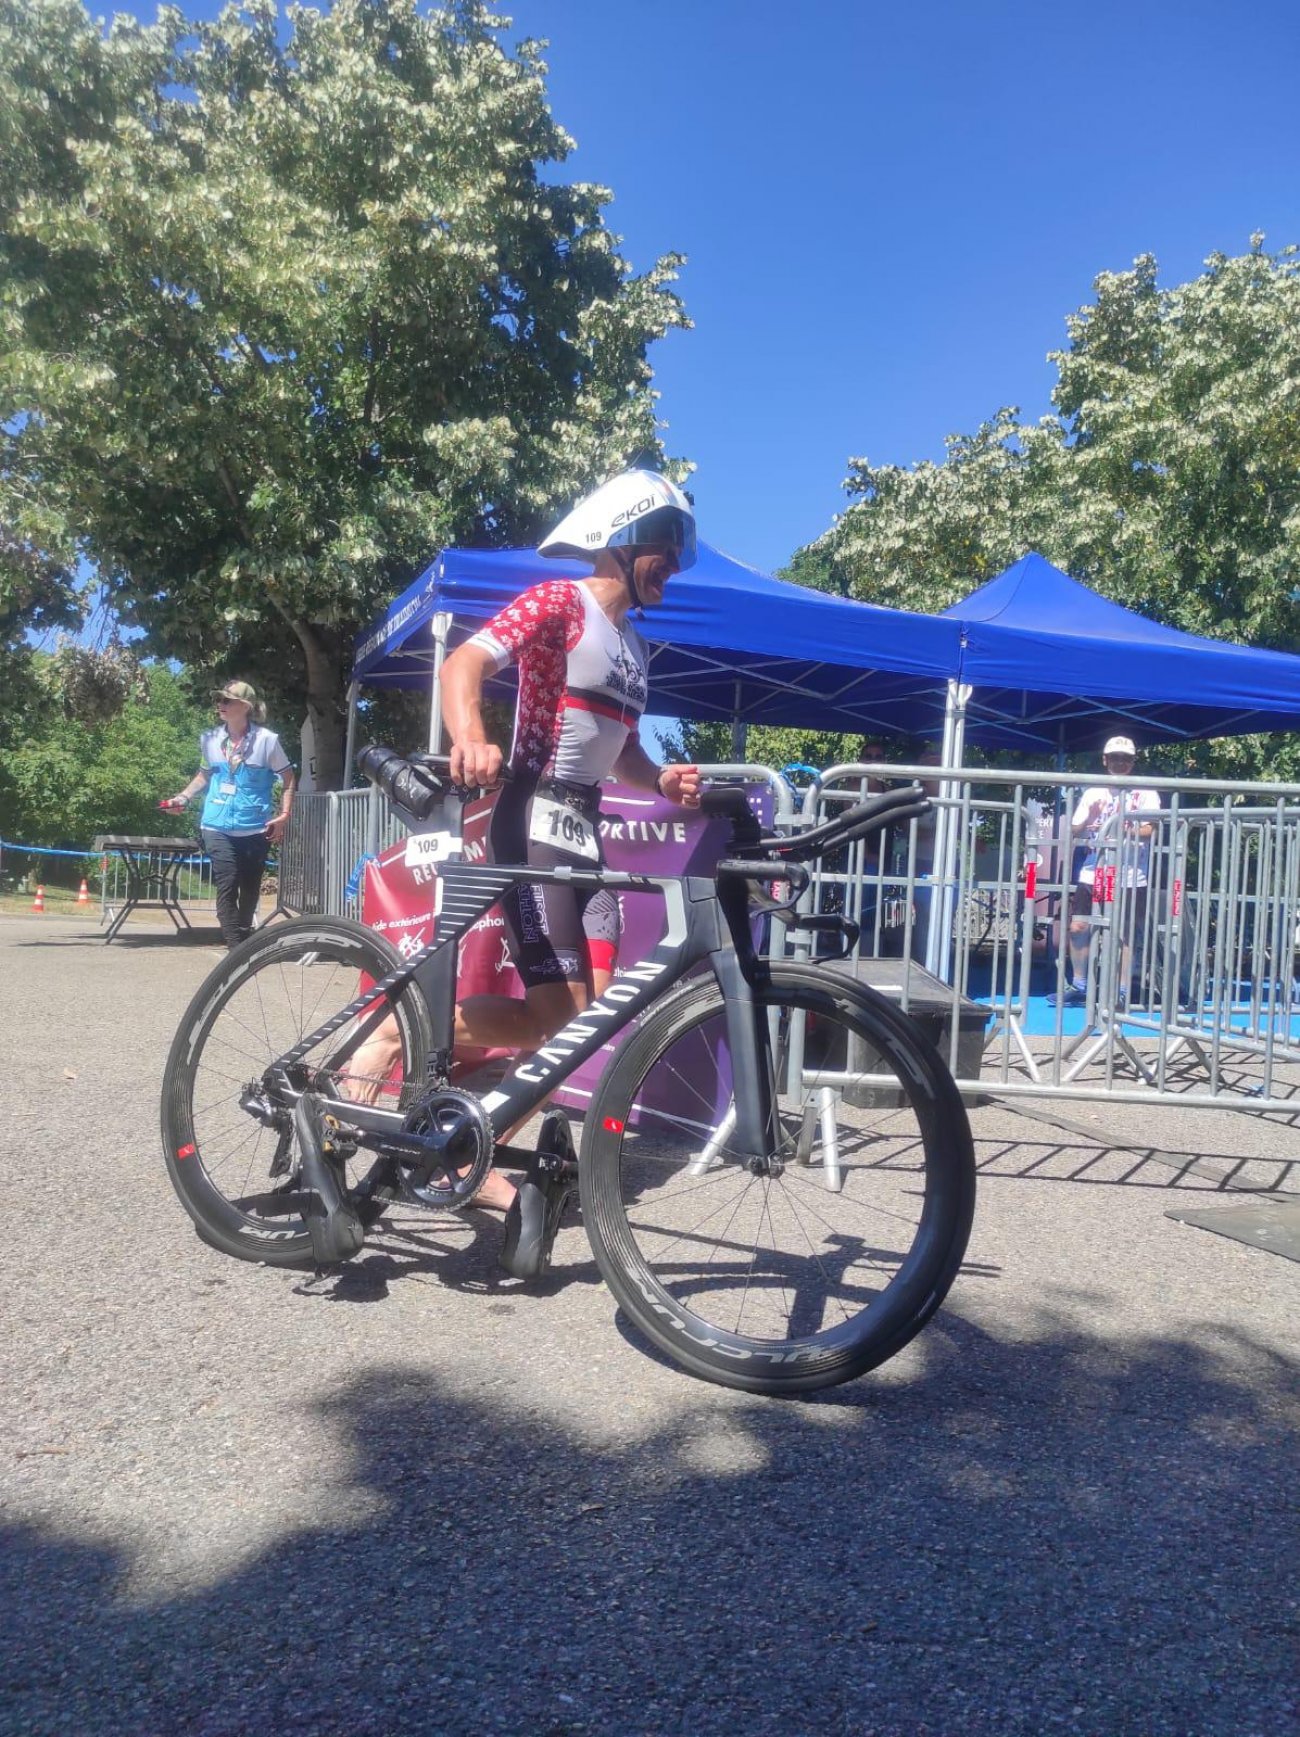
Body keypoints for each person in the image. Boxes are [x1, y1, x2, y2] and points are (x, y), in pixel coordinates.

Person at [346, 468, 703, 1226]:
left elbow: (621, 745)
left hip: (584, 828)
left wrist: (662, 778)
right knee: (557, 1017)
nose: (677, 561)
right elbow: (463, 663)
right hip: (532, 814)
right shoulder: (560, 601)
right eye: (667, 545)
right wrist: (471, 737)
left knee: (578, 1023)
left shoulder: (634, 643)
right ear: (624, 537)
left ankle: (470, 1142)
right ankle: (390, 1036)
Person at [164, 681, 296, 950]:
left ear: (244, 706)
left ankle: (244, 934)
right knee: (228, 881)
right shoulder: (210, 739)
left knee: (250, 887)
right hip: (216, 824)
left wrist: (284, 815)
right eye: (219, 700)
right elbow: (204, 774)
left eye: (227, 701)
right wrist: (182, 797)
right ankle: (235, 947)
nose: (220, 705)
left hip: (255, 826)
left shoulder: (267, 741)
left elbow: (289, 777)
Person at [1048, 735, 1159, 1009]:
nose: (1120, 763)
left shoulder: (1147, 792)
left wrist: (1126, 828)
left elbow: (1152, 829)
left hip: (1132, 875)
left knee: (1125, 933)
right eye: (1115, 758)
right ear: (1105, 760)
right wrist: (1090, 818)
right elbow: (1074, 829)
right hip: (1094, 872)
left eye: (1126, 758)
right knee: (1078, 927)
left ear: (1133, 762)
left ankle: (1121, 990)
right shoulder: (1093, 792)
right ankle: (1080, 985)